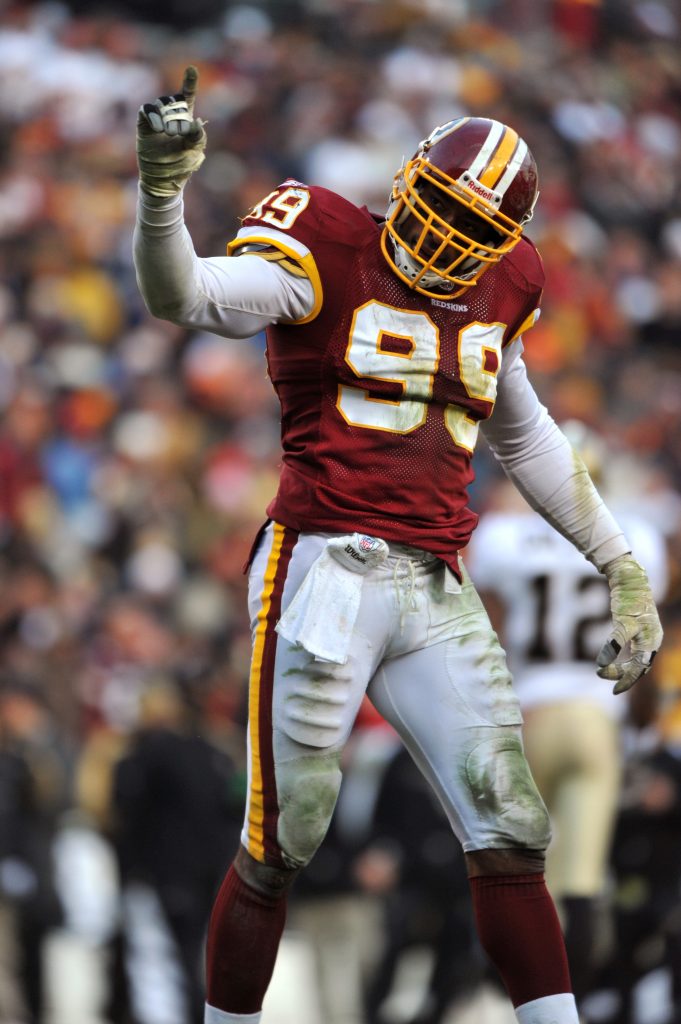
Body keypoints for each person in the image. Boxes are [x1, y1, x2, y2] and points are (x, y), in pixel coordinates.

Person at [132, 66, 663, 1024]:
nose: (443, 238)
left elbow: (526, 437)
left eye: (471, 229)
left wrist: (619, 563)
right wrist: (162, 196)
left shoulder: (505, 289)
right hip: (322, 566)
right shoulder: (324, 244)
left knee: (511, 827)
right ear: (405, 179)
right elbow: (187, 295)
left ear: (504, 245)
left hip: (436, 582)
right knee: (283, 835)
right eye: (437, 208)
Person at [465, 423, 669, 1009]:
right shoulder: (635, 536)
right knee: (579, 884)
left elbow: (486, 632)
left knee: (518, 877)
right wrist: (644, 730)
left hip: (527, 714)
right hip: (595, 717)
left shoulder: (505, 537)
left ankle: (512, 1004)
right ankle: (567, 1010)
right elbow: (644, 648)